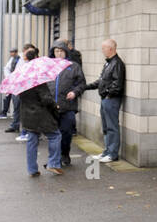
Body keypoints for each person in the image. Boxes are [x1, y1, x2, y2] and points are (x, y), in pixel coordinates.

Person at [17, 47, 62, 177]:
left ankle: (32, 169)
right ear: (36, 58)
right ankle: (53, 163)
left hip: (27, 115)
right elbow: (46, 99)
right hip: (41, 115)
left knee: (32, 140)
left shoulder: (22, 76)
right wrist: (55, 106)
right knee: (55, 135)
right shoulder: (37, 77)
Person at [87, 39, 126, 163]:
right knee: (106, 127)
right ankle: (107, 151)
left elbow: (117, 84)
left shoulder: (117, 64)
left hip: (111, 99)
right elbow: (101, 80)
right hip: (105, 99)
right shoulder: (108, 63)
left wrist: (108, 94)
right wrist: (86, 86)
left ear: (111, 48)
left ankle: (113, 154)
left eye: (104, 48)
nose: (102, 50)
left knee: (112, 127)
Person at [50, 40, 86, 168]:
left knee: (66, 132)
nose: (58, 53)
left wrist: (75, 92)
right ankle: (55, 159)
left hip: (68, 106)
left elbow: (82, 84)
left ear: (65, 52)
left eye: (61, 51)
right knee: (54, 134)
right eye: (56, 51)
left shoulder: (74, 66)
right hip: (52, 107)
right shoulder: (49, 66)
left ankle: (65, 153)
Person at [9, 43, 37, 138]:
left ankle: (27, 132)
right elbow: (13, 71)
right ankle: (18, 127)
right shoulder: (19, 60)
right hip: (19, 87)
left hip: (28, 90)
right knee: (18, 108)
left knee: (27, 111)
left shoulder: (35, 63)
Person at [0, 49, 20, 121]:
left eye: (12, 52)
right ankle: (4, 112)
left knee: (15, 99)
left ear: (16, 52)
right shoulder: (12, 59)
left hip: (16, 81)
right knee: (7, 97)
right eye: (10, 52)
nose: (11, 53)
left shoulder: (19, 59)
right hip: (11, 80)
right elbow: (6, 68)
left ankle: (14, 113)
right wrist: (9, 76)